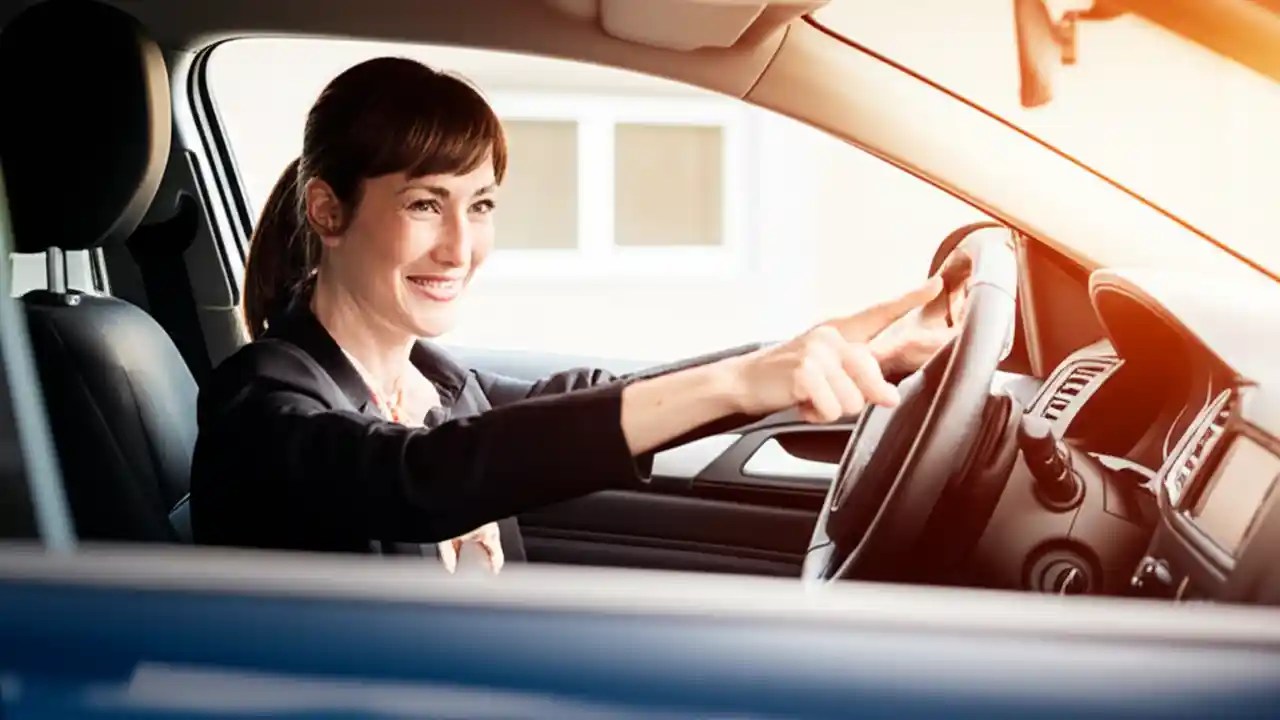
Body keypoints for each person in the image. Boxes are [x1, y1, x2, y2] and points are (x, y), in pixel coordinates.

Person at [189, 56, 963, 573]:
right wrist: (744, 382)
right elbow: (417, 479)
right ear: (329, 210)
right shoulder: (257, 405)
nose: (461, 248)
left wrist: (807, 356)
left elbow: (595, 395)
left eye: (481, 205)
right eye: (426, 205)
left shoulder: (437, 383)